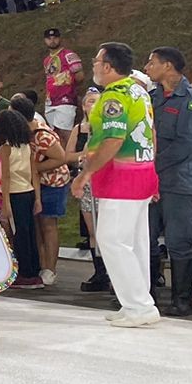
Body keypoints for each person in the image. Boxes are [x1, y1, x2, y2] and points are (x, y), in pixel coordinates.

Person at [72, 42, 160, 327]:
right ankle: (135, 301)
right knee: (134, 241)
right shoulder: (138, 90)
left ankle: (139, 306)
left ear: (108, 66)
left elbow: (113, 139)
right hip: (141, 171)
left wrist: (85, 173)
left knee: (111, 239)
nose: (94, 65)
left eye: (96, 60)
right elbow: (151, 132)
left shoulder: (115, 96)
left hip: (122, 176)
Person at [143, 47, 192, 316]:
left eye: (152, 62)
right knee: (145, 239)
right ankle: (145, 296)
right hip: (150, 182)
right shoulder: (152, 98)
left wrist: (151, 166)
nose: (147, 66)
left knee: (179, 240)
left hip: (180, 181)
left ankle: (182, 298)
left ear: (168, 66)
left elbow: (188, 143)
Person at [11, 93, 72, 285]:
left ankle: (50, 269)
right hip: (34, 183)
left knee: (48, 224)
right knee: (36, 225)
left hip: (52, 183)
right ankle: (40, 263)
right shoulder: (24, 135)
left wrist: (36, 168)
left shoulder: (41, 135)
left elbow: (61, 157)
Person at [67, 87, 109, 291]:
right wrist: (83, 155)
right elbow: (68, 155)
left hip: (106, 181)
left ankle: (113, 270)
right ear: (84, 106)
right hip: (87, 183)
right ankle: (99, 271)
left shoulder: (107, 127)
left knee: (108, 228)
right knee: (93, 229)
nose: (93, 105)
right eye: (89, 101)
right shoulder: (79, 129)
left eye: (97, 101)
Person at [0, 108, 41, 288]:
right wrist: (37, 198)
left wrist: (5, 203)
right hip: (28, 192)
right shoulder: (26, 146)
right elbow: (34, 173)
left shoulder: (5, 148)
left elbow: (5, 177)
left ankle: (25, 273)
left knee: (19, 233)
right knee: (29, 231)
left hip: (14, 193)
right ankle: (34, 270)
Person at [42, 27, 84, 131]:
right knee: (56, 134)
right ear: (45, 40)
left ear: (60, 38)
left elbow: (80, 76)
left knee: (65, 132)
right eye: (49, 38)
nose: (52, 40)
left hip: (66, 99)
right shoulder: (47, 60)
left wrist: (68, 86)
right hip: (50, 101)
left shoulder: (69, 55)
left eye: (55, 37)